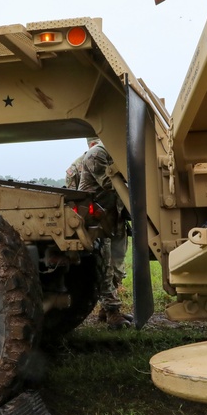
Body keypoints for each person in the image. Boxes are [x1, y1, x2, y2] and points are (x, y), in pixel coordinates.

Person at [69, 139, 132, 329]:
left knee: (117, 266)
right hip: (96, 219)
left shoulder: (118, 154)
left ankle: (106, 309)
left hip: (115, 216)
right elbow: (110, 183)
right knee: (105, 267)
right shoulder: (97, 154)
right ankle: (112, 311)